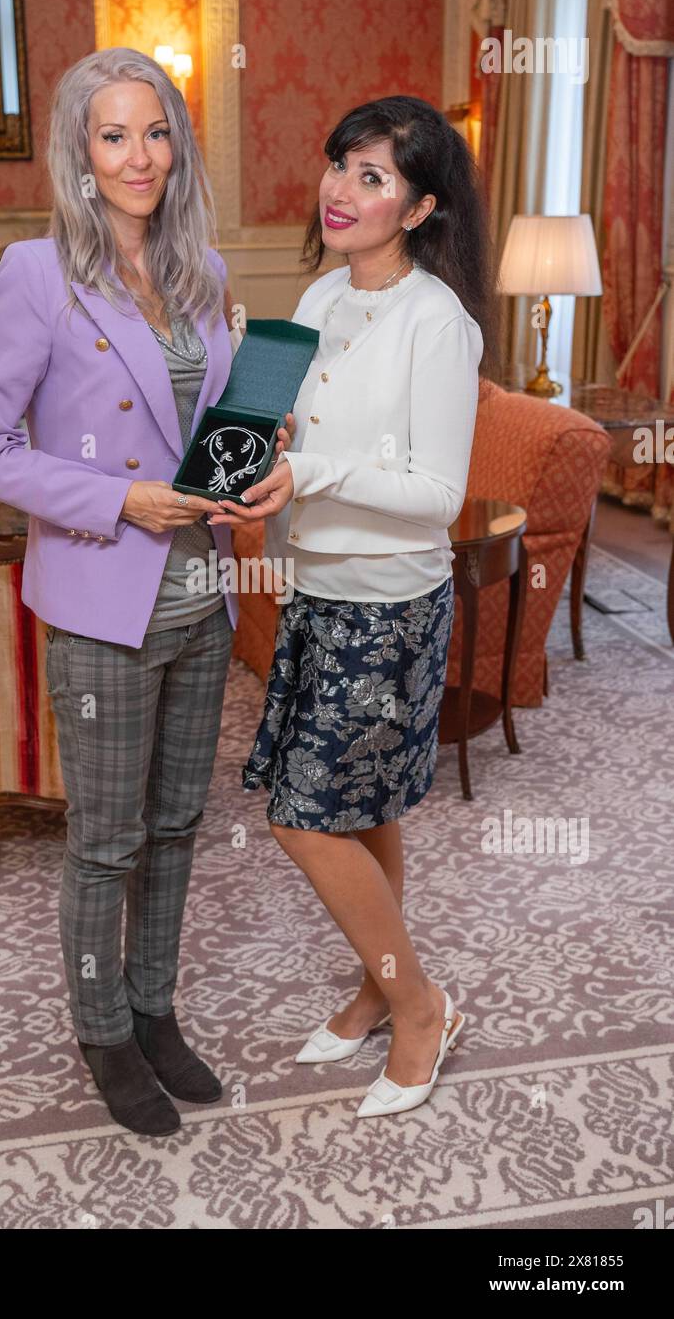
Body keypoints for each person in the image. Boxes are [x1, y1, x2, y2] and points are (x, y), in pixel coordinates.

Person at [0, 47, 293, 1138]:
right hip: (104, 600)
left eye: (155, 132)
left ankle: (154, 1009)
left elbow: (209, 432)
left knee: (180, 825)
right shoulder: (37, 273)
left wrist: (256, 459)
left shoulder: (202, 271)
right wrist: (117, 498)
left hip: (203, 599)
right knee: (107, 839)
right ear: (80, 153)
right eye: (115, 135)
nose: (139, 155)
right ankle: (102, 1030)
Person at [208, 95, 497, 1118]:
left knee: (300, 817)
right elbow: (287, 429)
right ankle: (378, 985)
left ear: (420, 207)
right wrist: (256, 448)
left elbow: (435, 493)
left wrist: (312, 466)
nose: (343, 187)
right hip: (317, 589)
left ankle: (421, 1006)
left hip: (389, 606)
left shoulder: (439, 323)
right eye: (341, 164)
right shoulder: (325, 297)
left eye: (374, 176)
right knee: (364, 804)